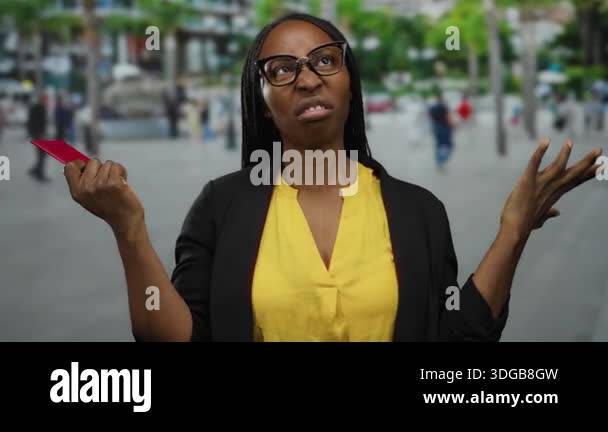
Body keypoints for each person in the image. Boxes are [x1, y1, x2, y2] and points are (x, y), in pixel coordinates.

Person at [63, 13, 603, 342]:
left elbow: (457, 346)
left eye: (324, 60)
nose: (306, 79)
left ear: (350, 84)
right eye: (281, 69)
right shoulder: (220, 207)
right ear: (264, 103)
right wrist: (128, 230)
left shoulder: (418, 212)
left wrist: (513, 231)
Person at [428, 91, 454, 171]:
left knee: (439, 144)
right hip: (445, 127)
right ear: (442, 98)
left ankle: (438, 161)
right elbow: (448, 117)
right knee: (448, 144)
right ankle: (442, 161)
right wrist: (453, 125)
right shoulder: (444, 107)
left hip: (436, 127)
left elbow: (430, 117)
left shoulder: (432, 107)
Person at [27, 94, 50, 182]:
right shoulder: (39, 108)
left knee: (42, 155)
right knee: (42, 155)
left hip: (39, 134)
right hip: (39, 135)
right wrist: (39, 134)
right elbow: (35, 122)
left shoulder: (39, 108)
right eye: (45, 99)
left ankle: (35, 170)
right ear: (42, 99)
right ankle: (39, 174)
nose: (47, 101)